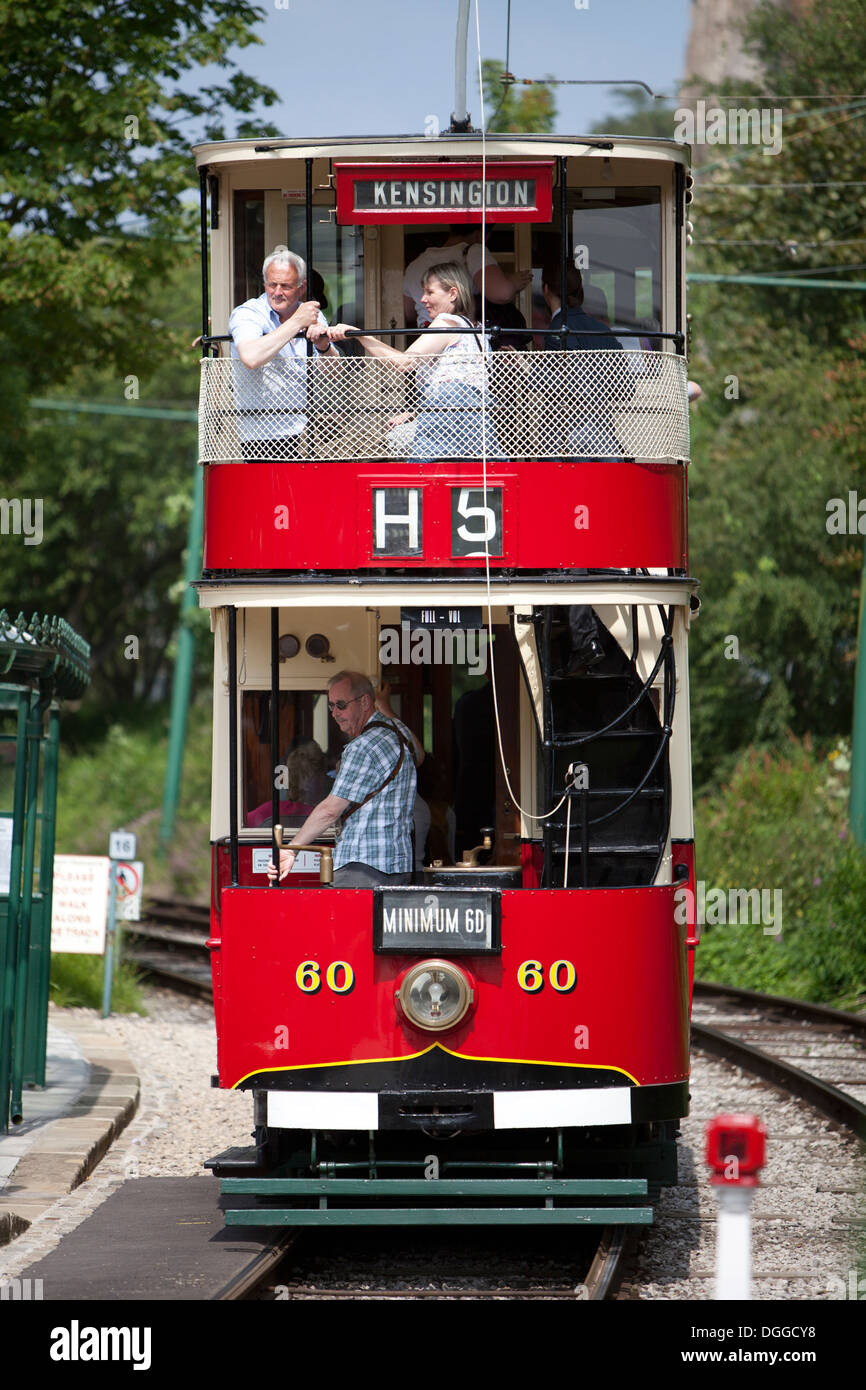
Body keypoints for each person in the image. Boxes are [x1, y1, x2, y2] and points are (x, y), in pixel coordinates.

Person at [329, 262, 501, 460]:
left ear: (453, 294)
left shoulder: (446, 323)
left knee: (423, 473)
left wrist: (360, 336)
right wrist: (415, 412)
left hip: (446, 418)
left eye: (429, 292)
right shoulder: (476, 329)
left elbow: (406, 363)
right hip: (476, 416)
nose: (422, 299)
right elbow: (457, 379)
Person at [268, 671, 417, 887]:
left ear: (365, 702)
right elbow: (419, 755)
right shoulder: (399, 730)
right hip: (398, 864)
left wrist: (292, 849)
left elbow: (330, 810)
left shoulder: (361, 747)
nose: (335, 713)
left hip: (362, 865)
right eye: (331, 706)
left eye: (341, 705)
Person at [228, 245, 337, 459]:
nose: (277, 293)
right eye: (272, 285)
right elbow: (250, 357)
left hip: (307, 432)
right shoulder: (247, 313)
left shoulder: (311, 313)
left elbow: (333, 373)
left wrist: (323, 346)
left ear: (302, 287)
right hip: (261, 434)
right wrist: (297, 323)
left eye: (285, 286)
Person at [403, 223, 531, 329]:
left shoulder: (416, 264)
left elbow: (407, 312)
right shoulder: (474, 251)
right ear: (480, 234)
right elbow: (502, 293)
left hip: (426, 334)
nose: (423, 299)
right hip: (458, 332)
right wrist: (513, 281)